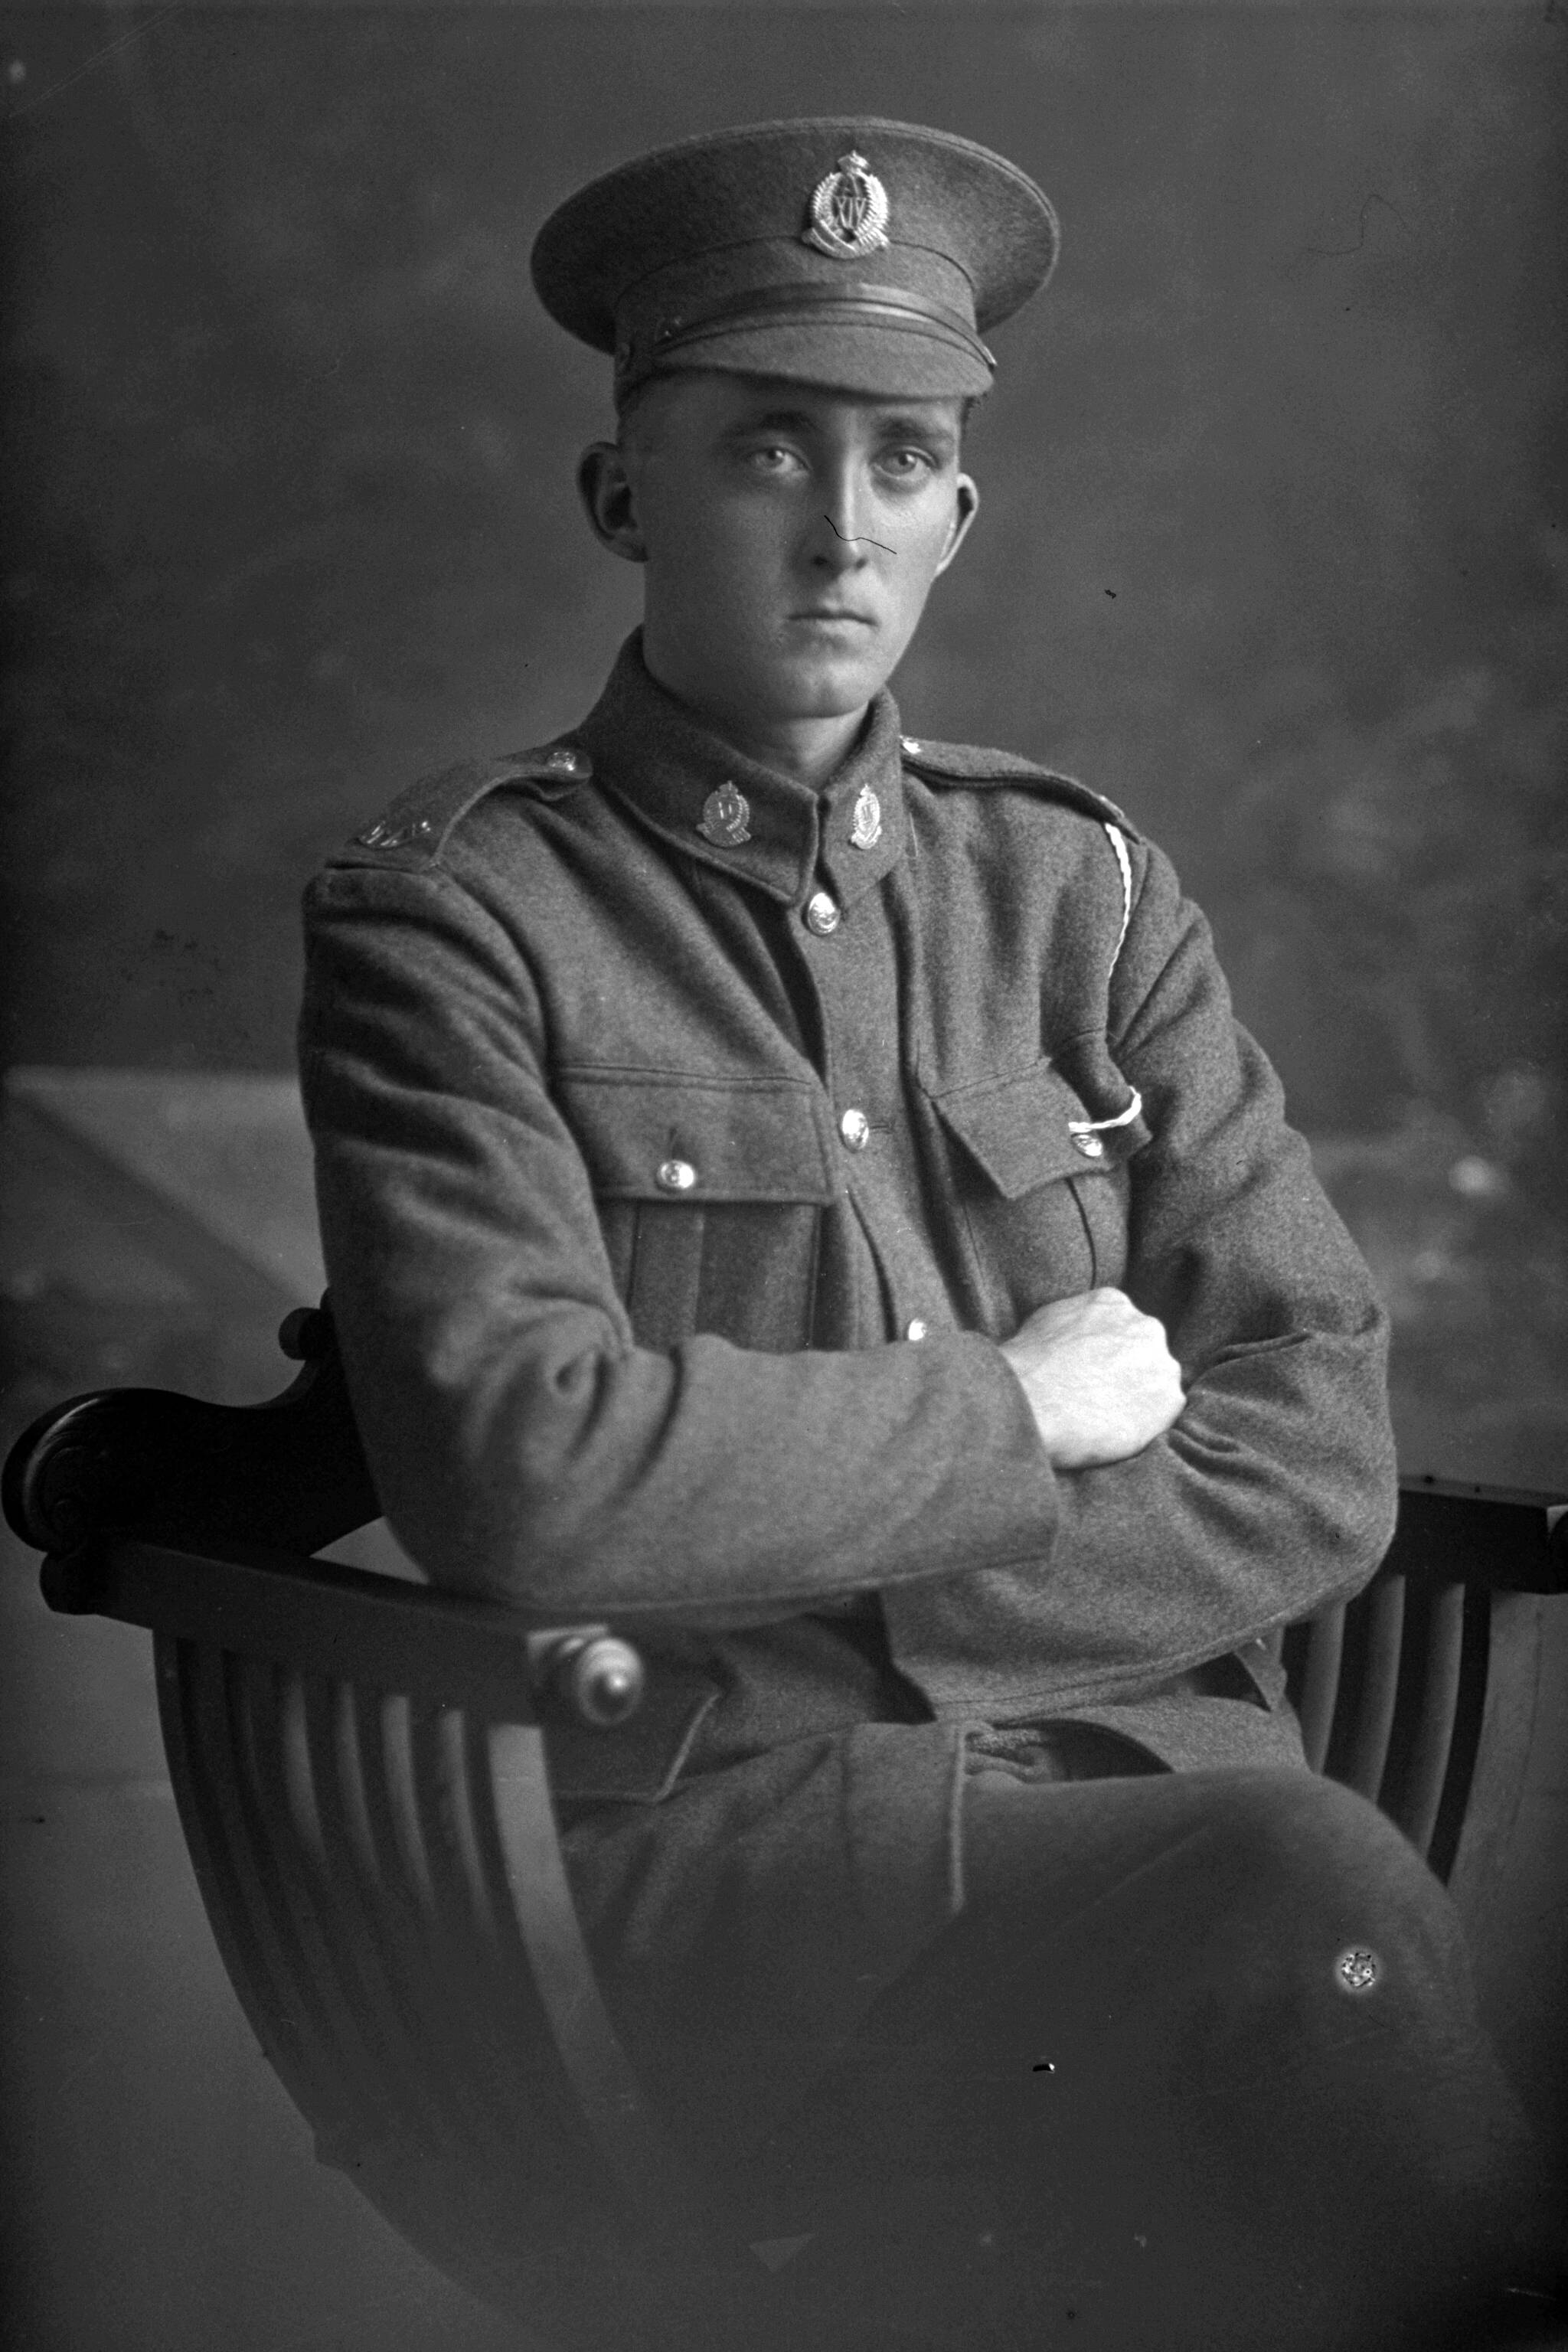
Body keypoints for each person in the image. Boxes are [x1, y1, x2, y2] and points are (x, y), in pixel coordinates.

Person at [298, 119, 1563, 2351]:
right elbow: (525, 1475)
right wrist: (1028, 1409)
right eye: (769, 450)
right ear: (626, 502)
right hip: (739, 1884)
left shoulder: (1078, 900)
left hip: (1144, 1843)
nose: (838, 527)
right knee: (1317, 1897)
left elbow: (1318, 1443)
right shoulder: (463, 923)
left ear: (961, 523)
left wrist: (784, 1533)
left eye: (899, 465)